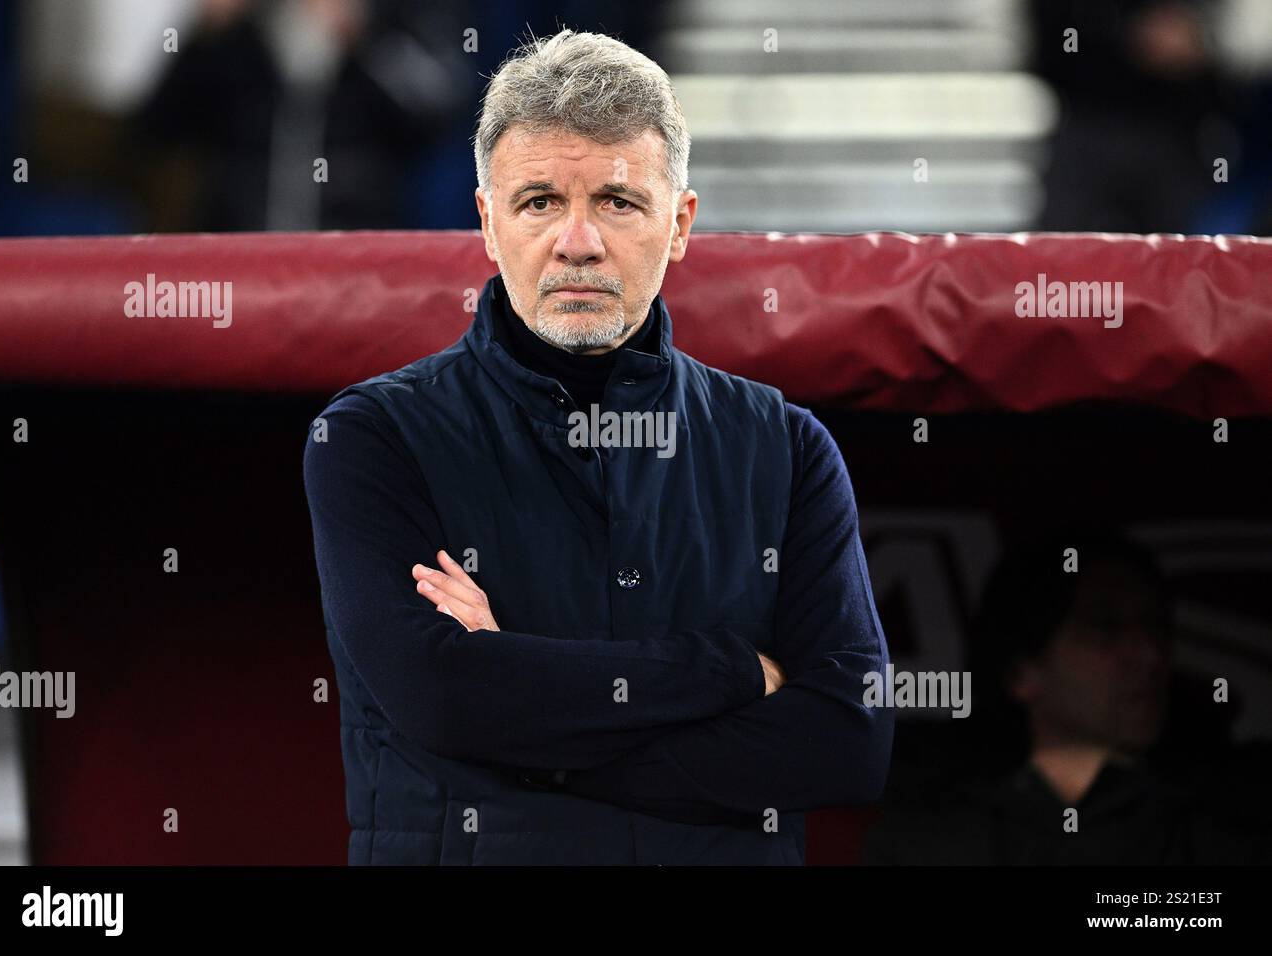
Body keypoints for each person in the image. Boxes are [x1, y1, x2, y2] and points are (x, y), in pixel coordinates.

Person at [303, 28, 892, 865]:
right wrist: (731, 671)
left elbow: (846, 741)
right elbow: (442, 697)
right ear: (487, 222)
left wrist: (524, 718)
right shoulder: (371, 437)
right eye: (539, 201)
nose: (576, 242)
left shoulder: (787, 449)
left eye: (617, 202)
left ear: (681, 223)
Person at [863, 527, 1271, 864]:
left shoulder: (1226, 824)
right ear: (1021, 672)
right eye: (1105, 627)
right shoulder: (933, 835)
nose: (1149, 655)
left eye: (1156, 626)